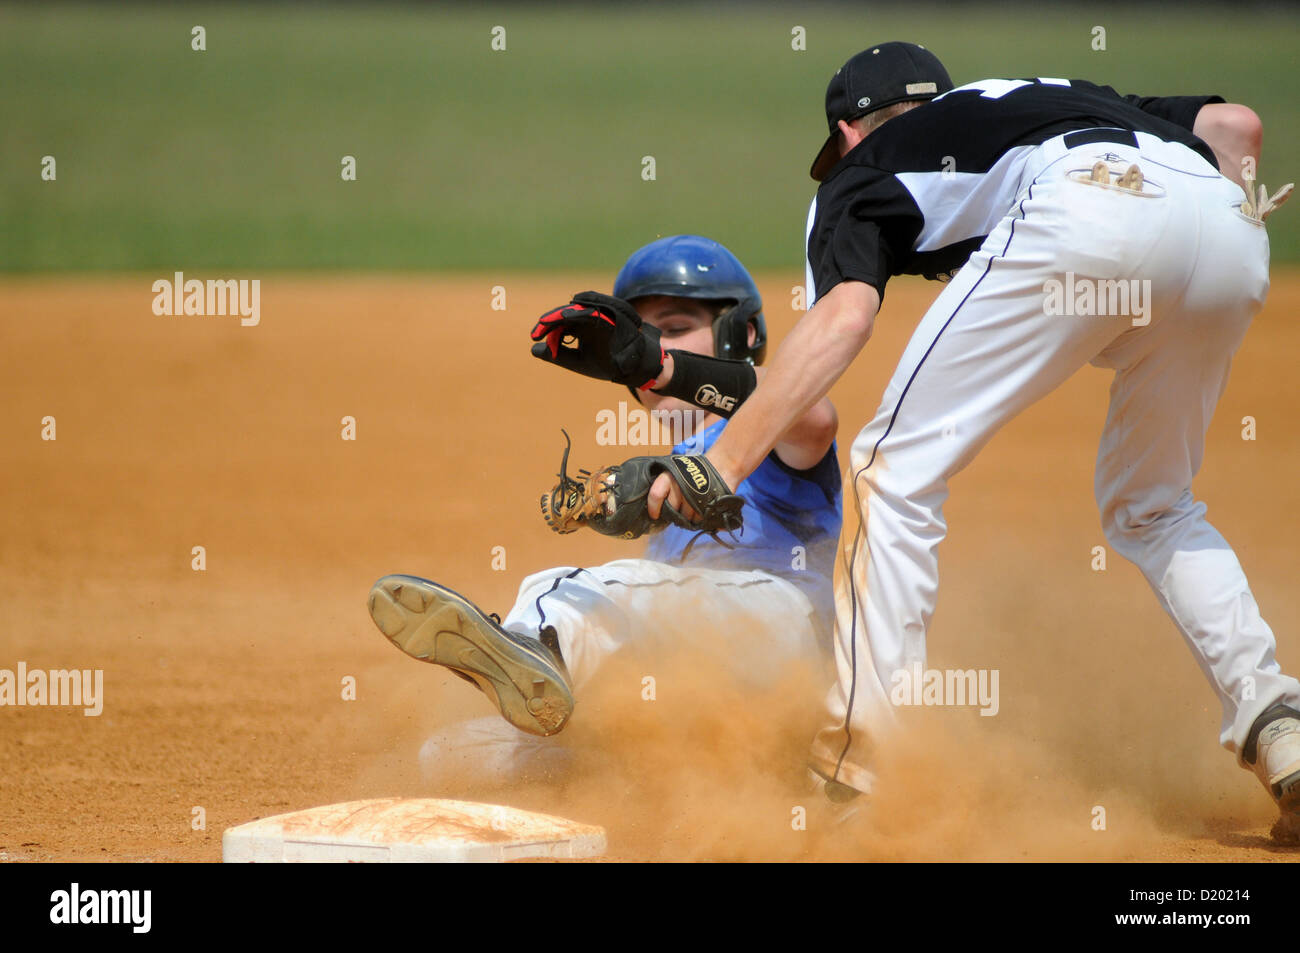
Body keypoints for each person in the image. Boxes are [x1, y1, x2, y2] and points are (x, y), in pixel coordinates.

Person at [649, 42, 1299, 838]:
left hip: (1085, 215)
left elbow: (843, 319)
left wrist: (714, 462)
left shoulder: (859, 173)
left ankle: (863, 770)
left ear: (849, 133)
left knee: (893, 470)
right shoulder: (1051, 93)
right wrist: (1197, 238)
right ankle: (1279, 720)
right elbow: (1239, 128)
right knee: (1155, 504)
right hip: (1228, 229)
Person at [367, 235, 840, 776]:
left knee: (566, 591)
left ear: (743, 333)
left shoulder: (766, 428)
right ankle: (677, 774)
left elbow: (814, 414)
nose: (659, 346)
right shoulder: (675, 463)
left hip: (791, 639)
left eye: (677, 328)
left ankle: (531, 644)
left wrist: (666, 366)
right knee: (452, 758)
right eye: (646, 338)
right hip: (718, 686)